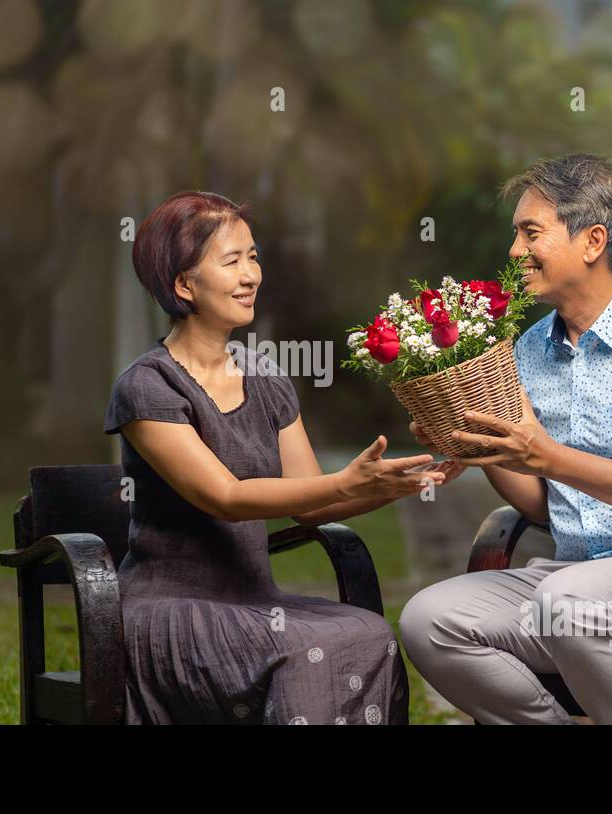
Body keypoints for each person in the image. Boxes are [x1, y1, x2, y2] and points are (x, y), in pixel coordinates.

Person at [399, 154, 612, 724]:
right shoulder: (530, 348)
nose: (514, 251)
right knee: (429, 620)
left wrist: (551, 456)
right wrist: (475, 445)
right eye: (515, 234)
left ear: (593, 241)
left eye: (531, 232)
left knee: (572, 602)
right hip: (571, 580)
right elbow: (542, 503)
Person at [104, 190, 462, 724]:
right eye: (232, 261)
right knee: (307, 648)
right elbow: (224, 497)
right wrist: (347, 482)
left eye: (253, 256)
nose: (252, 275)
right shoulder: (147, 386)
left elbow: (311, 504)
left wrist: (384, 487)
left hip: (254, 599)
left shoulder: (267, 376)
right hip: (169, 610)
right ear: (184, 284)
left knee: (371, 633)